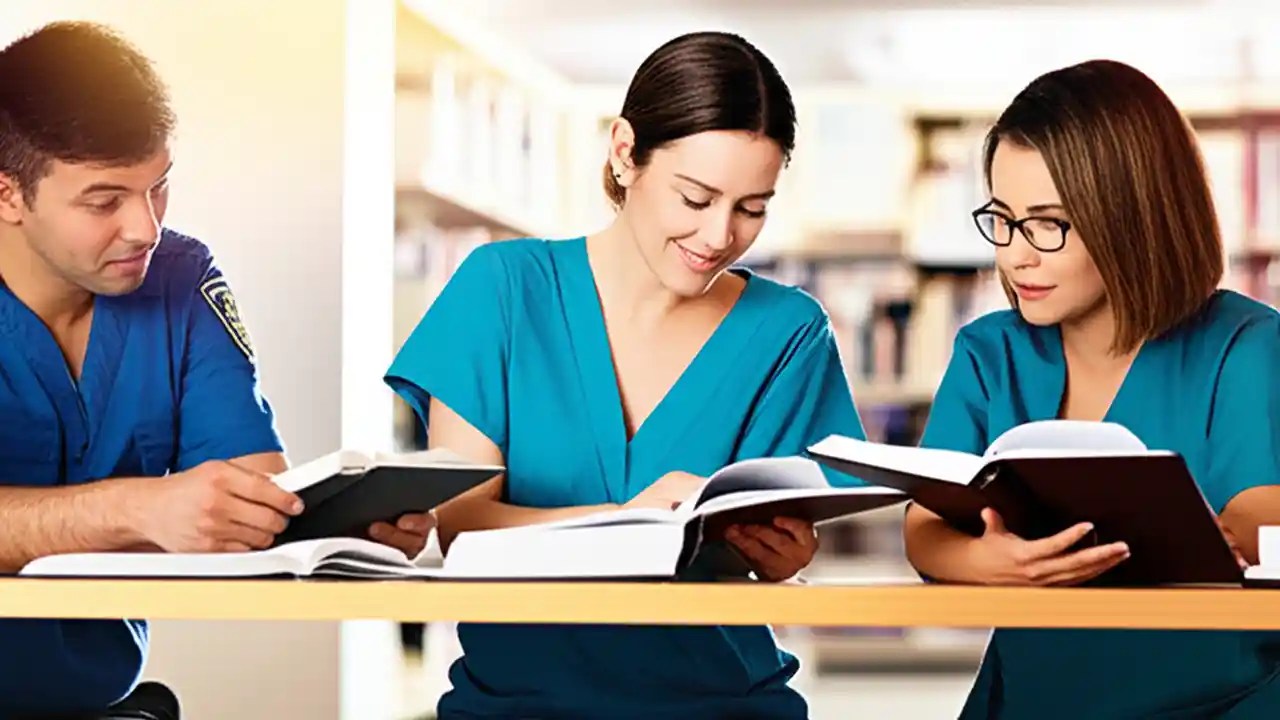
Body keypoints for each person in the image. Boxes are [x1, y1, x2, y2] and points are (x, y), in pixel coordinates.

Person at [385, 31, 865, 719]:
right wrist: (633, 520)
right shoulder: (502, 291)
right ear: (624, 152)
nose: (719, 236)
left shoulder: (789, 332)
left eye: (752, 208)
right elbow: (464, 532)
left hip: (726, 705)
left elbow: (775, 546)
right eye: (695, 199)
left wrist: (781, 553)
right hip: (516, 707)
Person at [903, 59, 1280, 718]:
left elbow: (1258, 516)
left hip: (1217, 699)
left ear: (1133, 216)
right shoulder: (990, 351)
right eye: (1002, 218)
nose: (1017, 254)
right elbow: (926, 530)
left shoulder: (1245, 345)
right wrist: (992, 563)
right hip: (1032, 696)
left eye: (1049, 224)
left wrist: (1206, 536)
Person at [0, 22, 312, 716]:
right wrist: (132, 507)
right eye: (104, 200)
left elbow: (252, 496)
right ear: (7, 194)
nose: (146, 227)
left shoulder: (181, 278)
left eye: (158, 188)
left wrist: (348, 520)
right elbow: (164, 512)